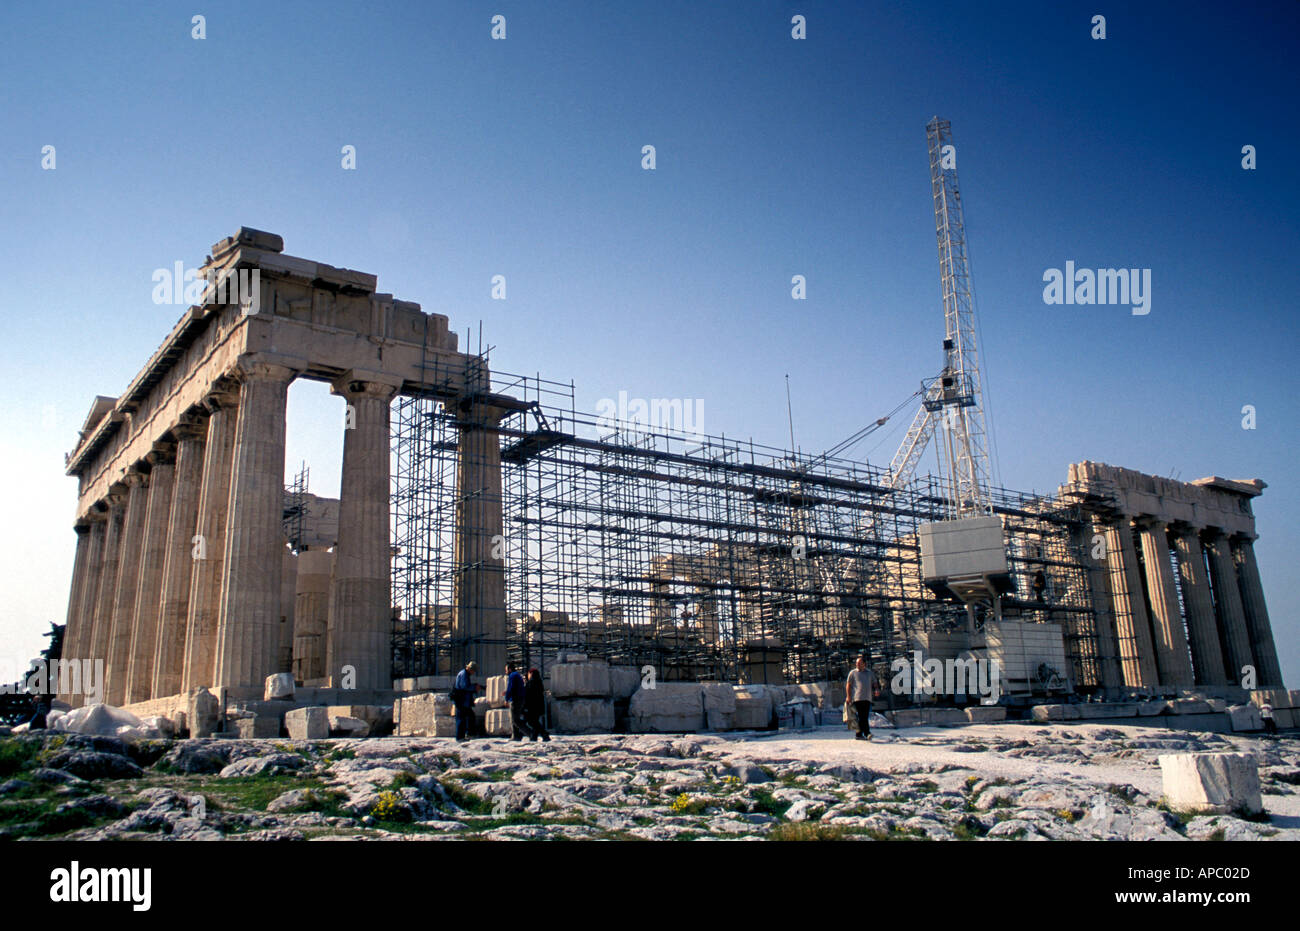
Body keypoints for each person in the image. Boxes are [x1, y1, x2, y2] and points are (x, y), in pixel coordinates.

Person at [845, 655, 878, 741]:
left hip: (867, 698)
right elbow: (848, 685)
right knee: (862, 716)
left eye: (859, 663)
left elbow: (874, 682)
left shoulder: (869, 673)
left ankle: (858, 734)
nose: (857, 665)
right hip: (857, 698)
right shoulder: (852, 673)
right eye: (856, 663)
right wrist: (848, 697)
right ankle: (867, 733)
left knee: (864, 716)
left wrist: (876, 690)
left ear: (864, 664)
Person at [452, 661, 481, 741]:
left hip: (464, 701)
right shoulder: (464, 674)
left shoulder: (465, 674)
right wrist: (474, 687)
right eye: (473, 671)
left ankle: (469, 734)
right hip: (461, 700)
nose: (473, 673)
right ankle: (460, 737)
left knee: (470, 716)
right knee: (461, 719)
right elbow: (464, 686)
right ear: (470, 669)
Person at [523, 667, 550, 742]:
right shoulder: (539, 681)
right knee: (535, 721)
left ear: (531, 674)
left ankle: (544, 733)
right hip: (538, 706)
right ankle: (534, 736)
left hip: (532, 706)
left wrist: (525, 706)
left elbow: (527, 694)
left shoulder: (531, 682)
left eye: (528, 674)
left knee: (532, 721)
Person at [505, 663, 529, 740]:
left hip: (515, 700)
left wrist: (506, 699)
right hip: (520, 699)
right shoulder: (518, 676)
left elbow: (510, 688)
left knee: (515, 720)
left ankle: (530, 733)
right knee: (515, 718)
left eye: (506, 670)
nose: (505, 672)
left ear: (509, 669)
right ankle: (516, 735)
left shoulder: (512, 676)